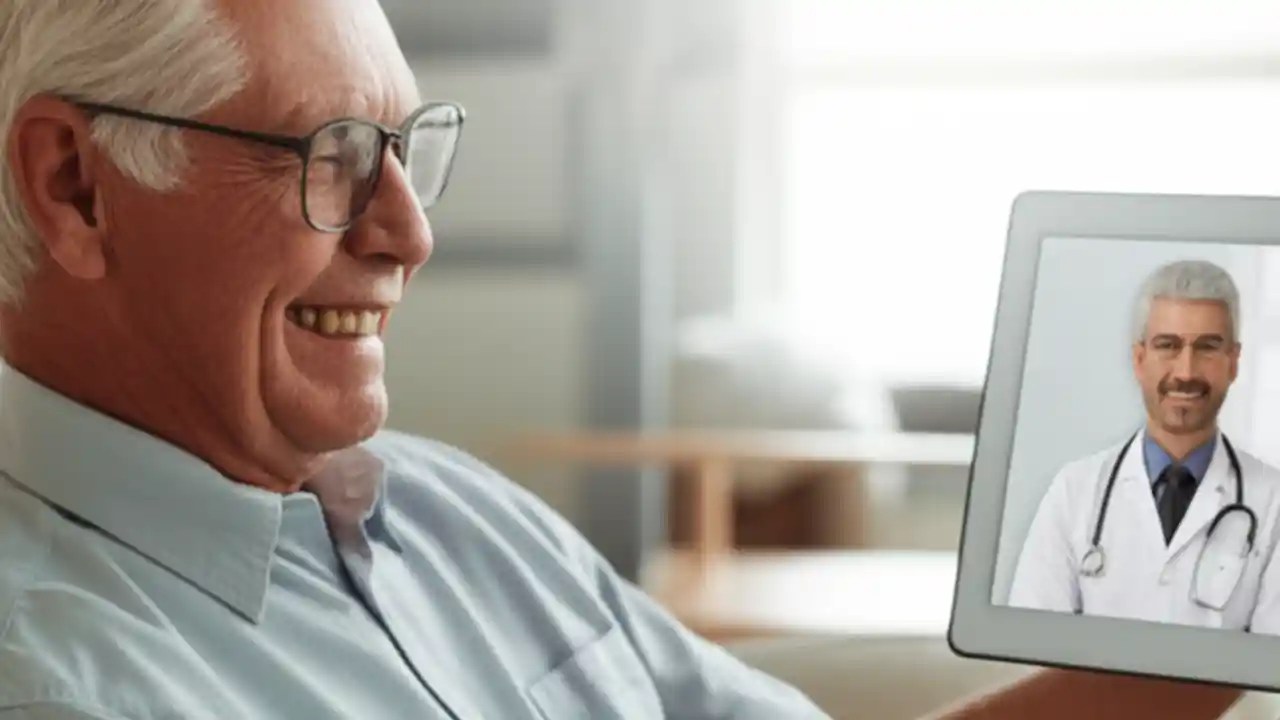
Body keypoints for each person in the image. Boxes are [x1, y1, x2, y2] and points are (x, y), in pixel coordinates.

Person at [0, 1, 1253, 719]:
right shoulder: (55, 678)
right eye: (327, 152)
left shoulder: (448, 511)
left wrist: (1213, 618)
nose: (409, 233)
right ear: (75, 188)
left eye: (403, 147)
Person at [1008, 259, 1280, 632]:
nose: (1185, 371)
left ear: (1233, 363)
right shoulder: (1075, 490)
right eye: (1168, 346)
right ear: (1139, 360)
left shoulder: (1273, 501)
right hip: (1091, 695)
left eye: (1207, 347)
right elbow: (1032, 645)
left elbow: (1272, 669)